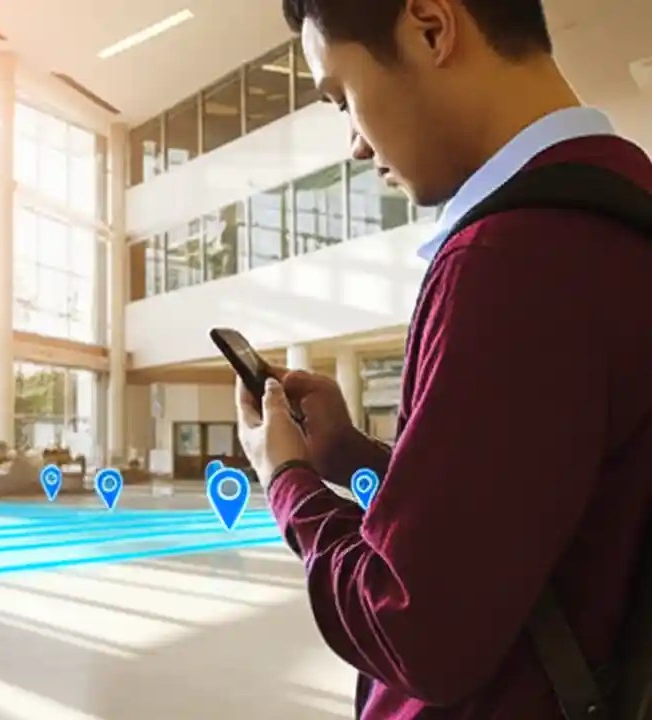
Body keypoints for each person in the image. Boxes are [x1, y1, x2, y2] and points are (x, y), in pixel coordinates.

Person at [236, 0, 652, 717]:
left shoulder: (510, 258)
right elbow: (527, 517)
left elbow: (413, 629)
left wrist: (287, 481)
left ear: (431, 28)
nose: (356, 147)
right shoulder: (621, 202)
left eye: (341, 97)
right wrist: (353, 459)